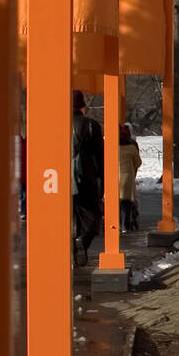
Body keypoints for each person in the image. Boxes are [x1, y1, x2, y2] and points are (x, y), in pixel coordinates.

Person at [72, 90, 104, 266]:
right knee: (93, 215)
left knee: (67, 215)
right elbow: (100, 156)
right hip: (86, 177)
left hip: (58, 178)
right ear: (82, 106)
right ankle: (82, 241)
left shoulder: (53, 123)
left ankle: (71, 247)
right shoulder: (91, 126)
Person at [119, 124, 141, 232]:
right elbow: (138, 162)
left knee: (114, 202)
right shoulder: (131, 147)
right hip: (127, 177)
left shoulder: (110, 147)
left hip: (113, 177)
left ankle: (115, 224)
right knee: (126, 202)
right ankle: (125, 224)